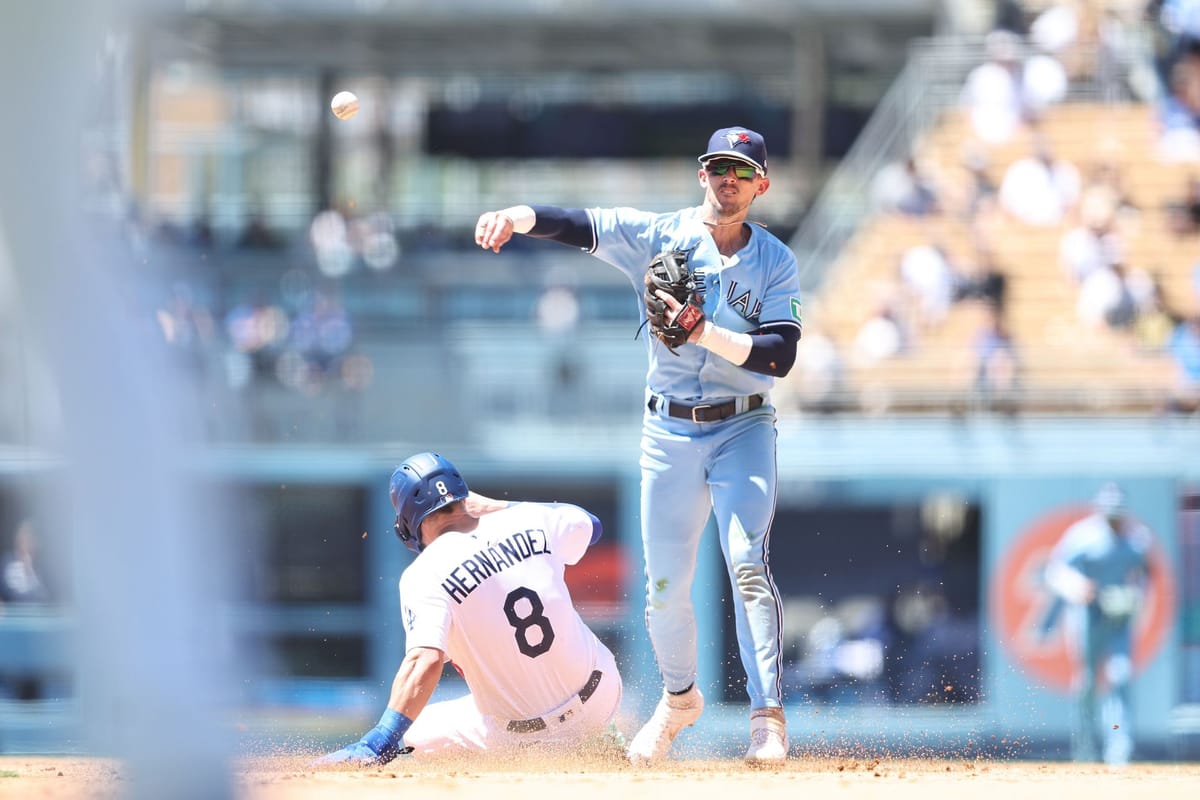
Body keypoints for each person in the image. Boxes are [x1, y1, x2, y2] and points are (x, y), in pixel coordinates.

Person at [473, 126, 799, 765]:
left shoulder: (775, 260)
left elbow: (780, 356)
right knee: (663, 586)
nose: (726, 179)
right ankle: (679, 702)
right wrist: (514, 216)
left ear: (761, 184)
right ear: (700, 174)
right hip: (669, 430)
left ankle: (767, 718)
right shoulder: (659, 235)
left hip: (743, 427)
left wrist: (702, 331)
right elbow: (577, 223)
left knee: (746, 563)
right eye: (717, 167)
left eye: (740, 169)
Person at [313, 452, 623, 764]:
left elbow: (426, 659)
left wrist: (379, 741)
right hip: (602, 697)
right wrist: (499, 506)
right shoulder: (531, 518)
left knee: (412, 739)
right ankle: (602, 744)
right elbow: (590, 525)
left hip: (522, 738)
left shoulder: (424, 573)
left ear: (406, 523)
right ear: (465, 496)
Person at [1042, 482, 1154, 766]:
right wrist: (1078, 586)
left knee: (1121, 675)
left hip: (1119, 617)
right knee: (1089, 683)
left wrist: (1136, 596)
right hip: (1089, 616)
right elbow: (1056, 571)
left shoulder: (1137, 538)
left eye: (1118, 514)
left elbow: (1146, 574)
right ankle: (1085, 745)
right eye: (1110, 515)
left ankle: (1118, 745)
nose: (1115, 520)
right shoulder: (1084, 536)